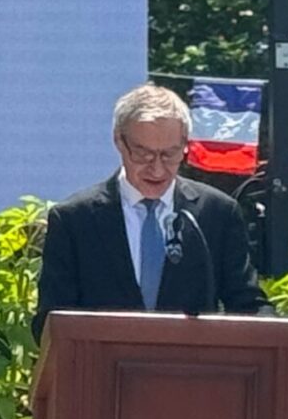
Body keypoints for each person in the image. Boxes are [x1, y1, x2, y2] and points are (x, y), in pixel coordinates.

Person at [33, 83, 271, 342]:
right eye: (143, 154)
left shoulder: (216, 214)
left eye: (170, 154)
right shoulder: (74, 219)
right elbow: (50, 322)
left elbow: (247, 304)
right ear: (119, 142)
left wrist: (282, 336)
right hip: (100, 376)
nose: (157, 169)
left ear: (185, 145)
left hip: (192, 375)